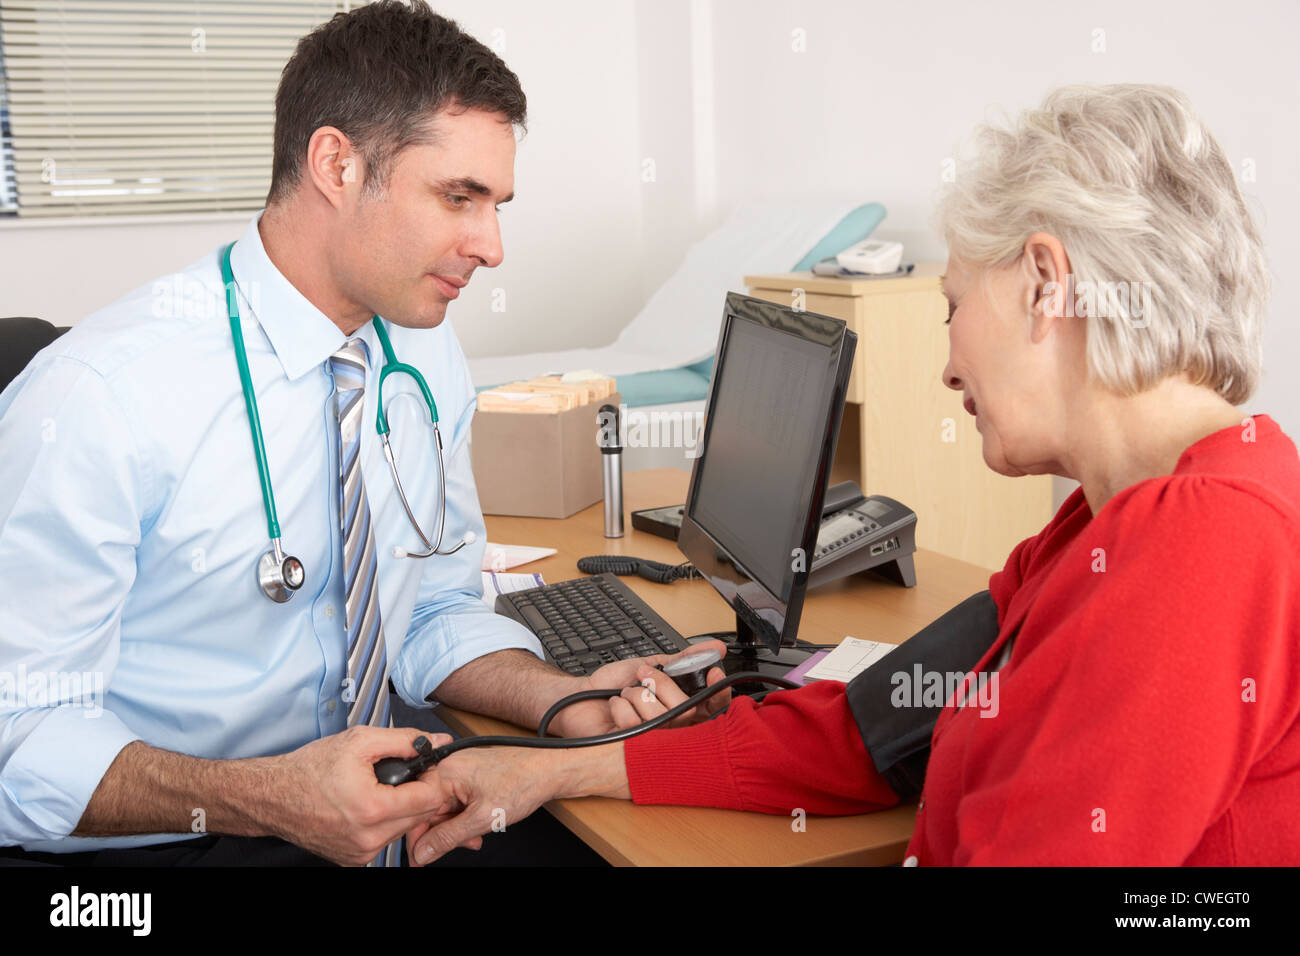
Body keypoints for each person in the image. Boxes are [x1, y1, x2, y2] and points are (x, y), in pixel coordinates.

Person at [407, 84, 1300, 866]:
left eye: (952, 307)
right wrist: (564, 767)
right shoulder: (1099, 528)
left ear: (1044, 286)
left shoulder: (1210, 540)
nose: (948, 366)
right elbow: (875, 730)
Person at [0, 1, 722, 868]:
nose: (491, 246)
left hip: (367, 805)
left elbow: (433, 610)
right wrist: (268, 798)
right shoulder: (104, 395)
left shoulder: (423, 352)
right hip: (156, 843)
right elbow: (18, 742)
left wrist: (561, 701)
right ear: (337, 164)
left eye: (497, 204)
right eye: (459, 197)